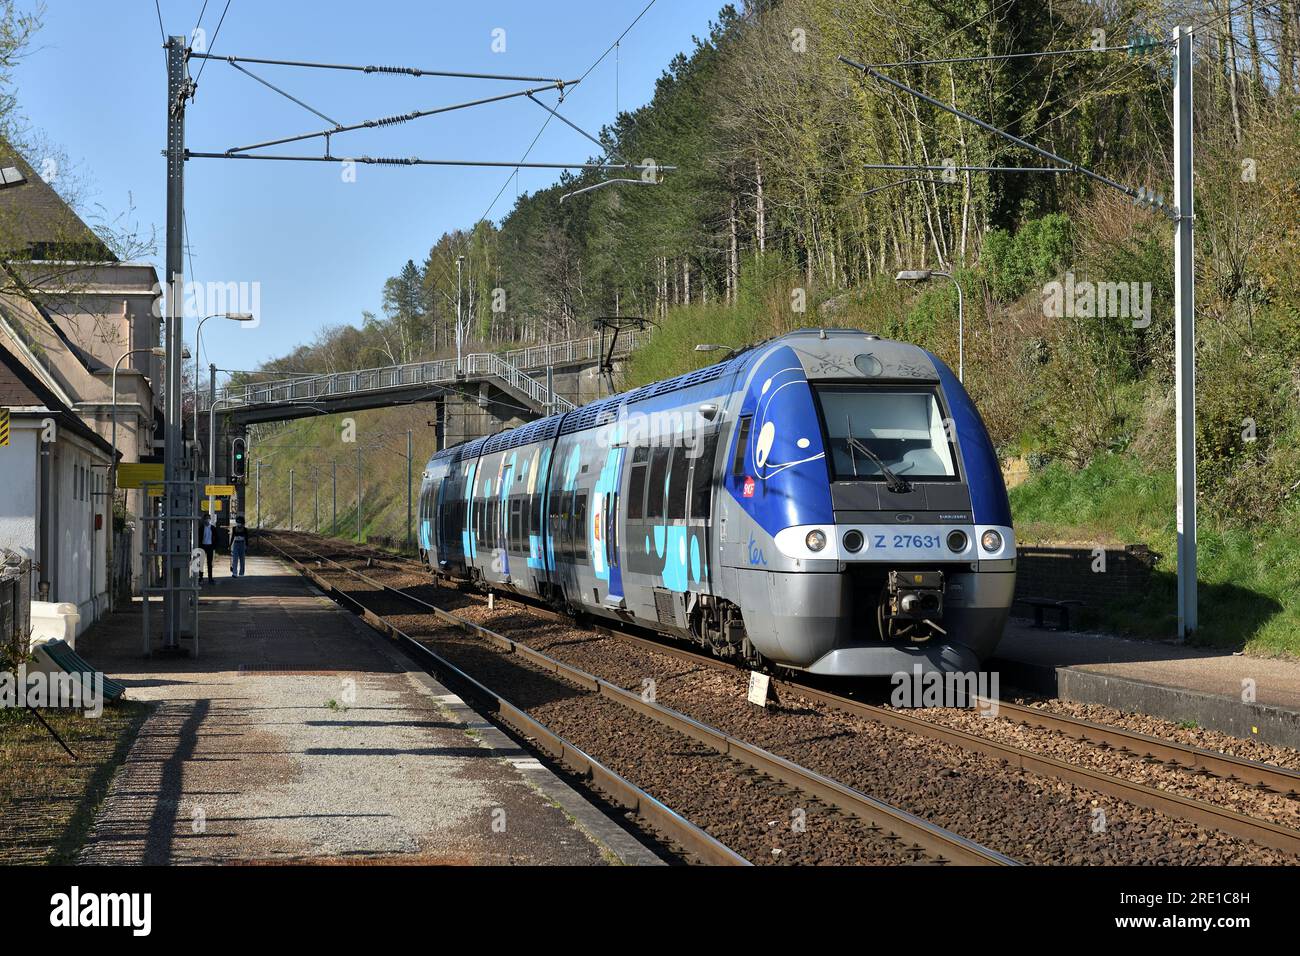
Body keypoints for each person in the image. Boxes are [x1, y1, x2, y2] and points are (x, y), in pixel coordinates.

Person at [200, 514, 216, 582]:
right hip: (203, 546)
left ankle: (210, 578)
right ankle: (200, 577)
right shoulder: (201, 528)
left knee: (209, 563)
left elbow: (216, 537)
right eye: (206, 518)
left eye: (208, 518)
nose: (207, 520)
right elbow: (199, 537)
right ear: (204, 520)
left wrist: (214, 546)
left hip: (210, 547)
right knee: (201, 563)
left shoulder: (213, 528)